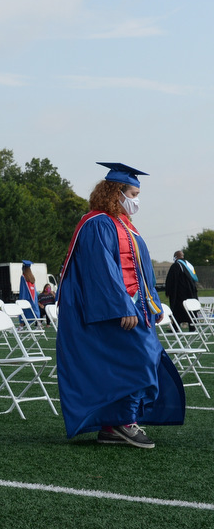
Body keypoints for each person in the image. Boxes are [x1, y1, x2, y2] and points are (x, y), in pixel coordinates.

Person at [55, 162, 185, 449]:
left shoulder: (126, 225)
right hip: (118, 312)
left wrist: (153, 302)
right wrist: (121, 306)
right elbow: (101, 270)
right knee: (137, 360)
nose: (136, 200)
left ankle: (114, 425)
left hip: (138, 310)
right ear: (116, 192)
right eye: (133, 193)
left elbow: (141, 270)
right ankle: (122, 422)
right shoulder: (97, 223)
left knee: (142, 359)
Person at [165, 250, 199, 329]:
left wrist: (168, 291)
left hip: (180, 294)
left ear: (175, 257)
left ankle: (175, 327)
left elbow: (171, 280)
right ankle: (192, 328)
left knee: (178, 311)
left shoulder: (176, 265)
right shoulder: (189, 265)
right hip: (191, 293)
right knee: (190, 311)